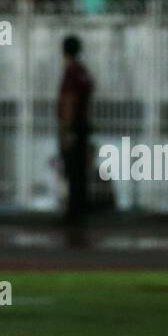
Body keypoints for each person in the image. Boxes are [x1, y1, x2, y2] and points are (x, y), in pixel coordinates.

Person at [57, 34, 95, 233]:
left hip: (74, 127)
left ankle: (74, 212)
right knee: (80, 170)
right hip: (83, 125)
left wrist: (66, 130)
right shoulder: (83, 72)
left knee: (72, 169)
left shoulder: (71, 72)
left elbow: (69, 101)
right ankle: (79, 209)